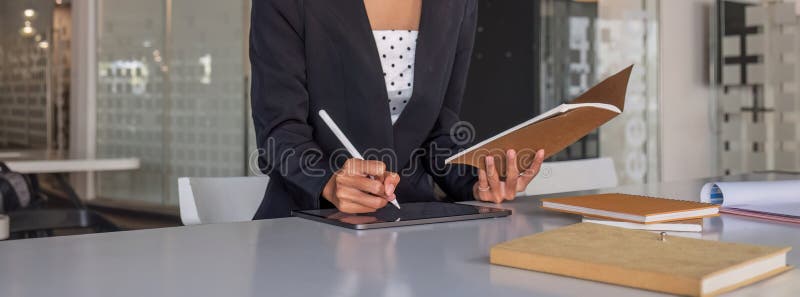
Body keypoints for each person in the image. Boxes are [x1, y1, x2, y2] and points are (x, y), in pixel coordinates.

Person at [250, 0, 545, 219]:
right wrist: (327, 181)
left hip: (413, 229)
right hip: (305, 225)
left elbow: (440, 132)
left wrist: (477, 183)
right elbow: (279, 129)